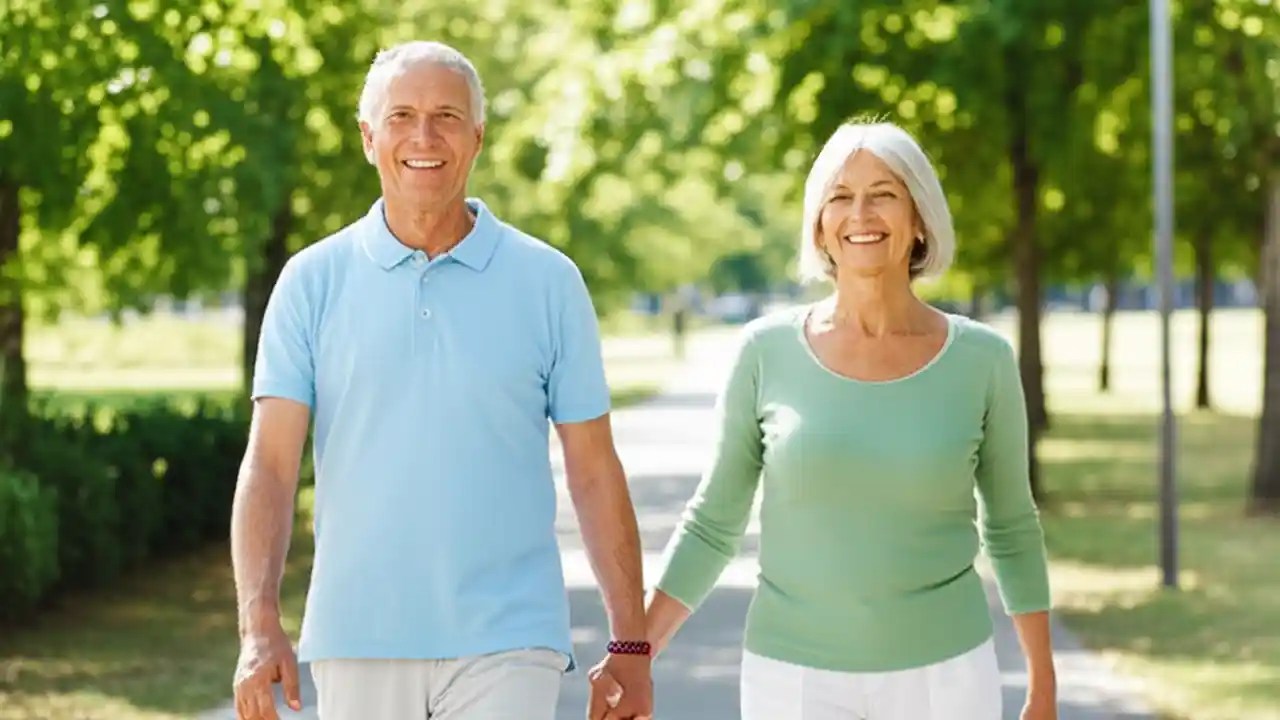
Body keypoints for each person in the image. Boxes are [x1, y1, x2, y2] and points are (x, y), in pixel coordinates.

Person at [229, 41, 654, 720]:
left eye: (447, 117)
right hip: (358, 634)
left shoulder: (549, 282)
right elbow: (272, 467)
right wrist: (258, 624)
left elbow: (595, 471)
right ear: (368, 139)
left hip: (511, 635)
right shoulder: (311, 281)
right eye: (401, 116)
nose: (423, 137)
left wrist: (630, 642)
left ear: (477, 138)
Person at [640, 121, 1058, 719]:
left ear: (919, 219)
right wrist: (637, 650)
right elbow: (713, 523)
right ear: (820, 226)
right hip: (791, 679)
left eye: (883, 193)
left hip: (946, 679)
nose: (860, 213)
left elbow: (1012, 527)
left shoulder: (983, 360)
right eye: (840, 197)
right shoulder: (765, 352)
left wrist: (1042, 681)